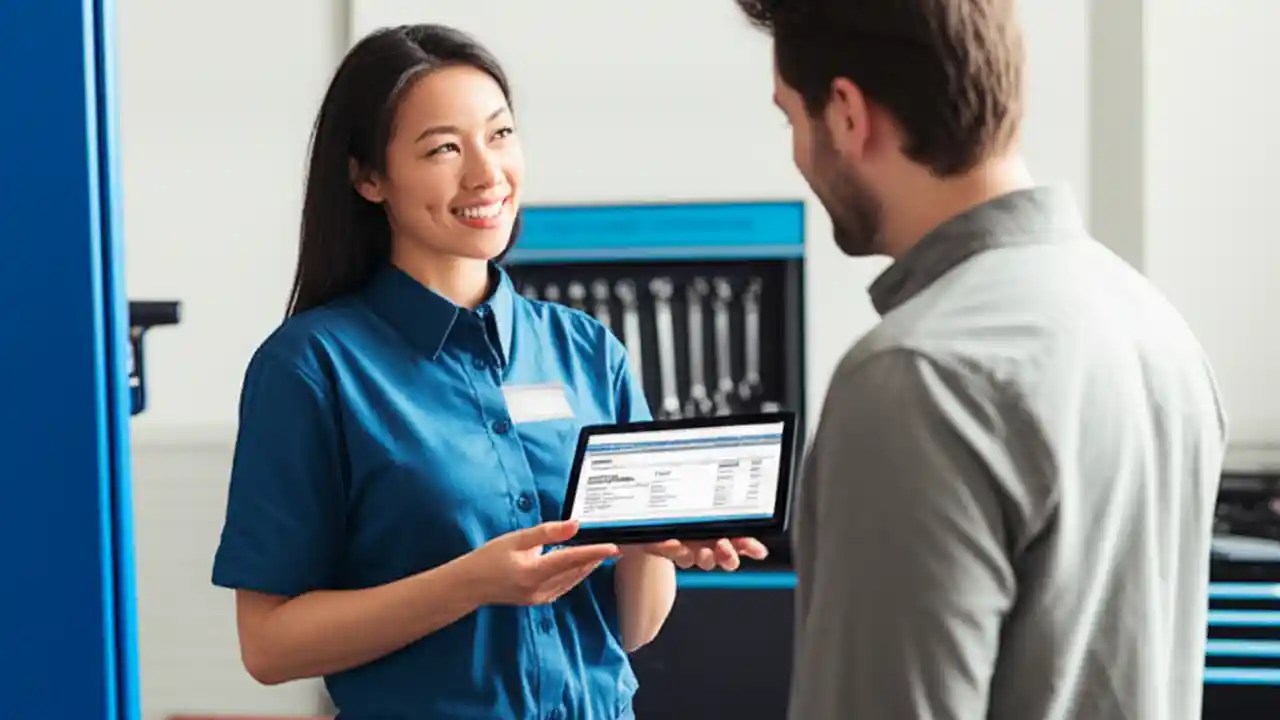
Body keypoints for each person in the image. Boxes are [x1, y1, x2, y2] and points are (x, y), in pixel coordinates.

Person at [210, 23, 768, 719]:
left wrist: (647, 545)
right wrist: (469, 584)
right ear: (367, 177)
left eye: (500, 135)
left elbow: (632, 628)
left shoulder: (588, 352)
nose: (486, 174)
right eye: (444, 148)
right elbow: (268, 646)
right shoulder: (312, 368)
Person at [733, 1, 1227, 719]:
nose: (799, 153)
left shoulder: (915, 377)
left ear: (845, 113)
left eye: (791, 118)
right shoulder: (1151, 320)